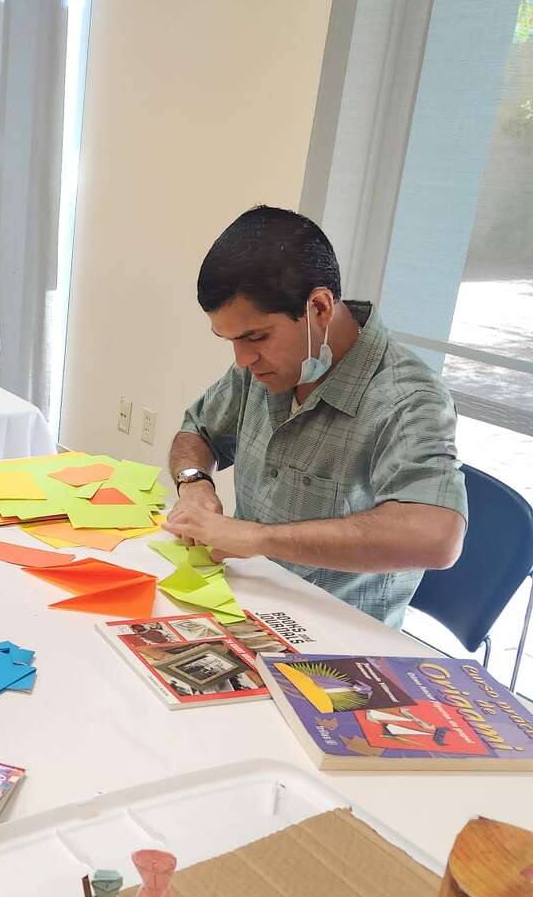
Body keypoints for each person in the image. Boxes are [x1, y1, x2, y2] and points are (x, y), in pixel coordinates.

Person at [163, 206, 467, 627]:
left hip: (338, 643)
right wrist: (194, 484)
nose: (243, 358)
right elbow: (196, 431)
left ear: (319, 308)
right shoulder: (261, 368)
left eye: (256, 337)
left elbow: (437, 537)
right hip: (244, 604)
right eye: (231, 340)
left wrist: (257, 538)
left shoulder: (409, 399)